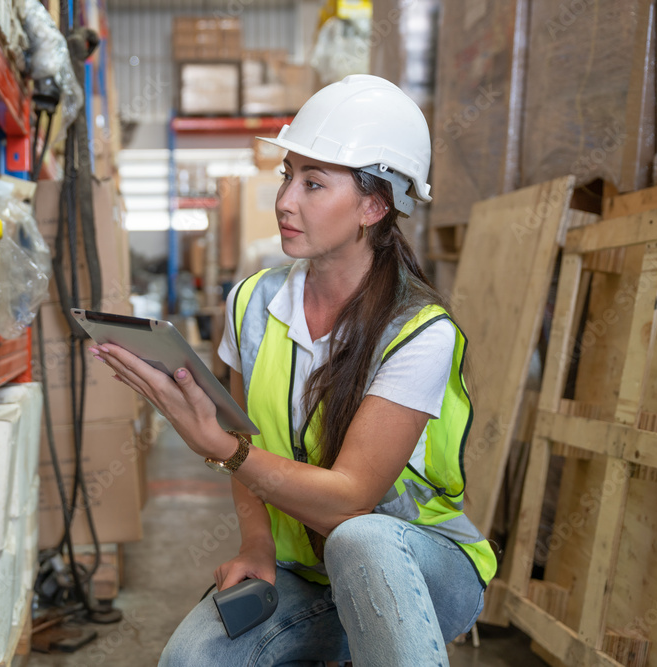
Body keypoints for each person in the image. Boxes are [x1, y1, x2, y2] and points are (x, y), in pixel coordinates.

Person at [91, 74, 496, 666]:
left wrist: (224, 450)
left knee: (362, 539)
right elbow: (246, 435)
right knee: (191, 660)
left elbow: (350, 501)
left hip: (419, 566)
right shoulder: (251, 304)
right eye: (288, 176)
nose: (285, 201)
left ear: (372, 206)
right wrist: (256, 544)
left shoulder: (420, 332)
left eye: (313, 184)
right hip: (307, 572)